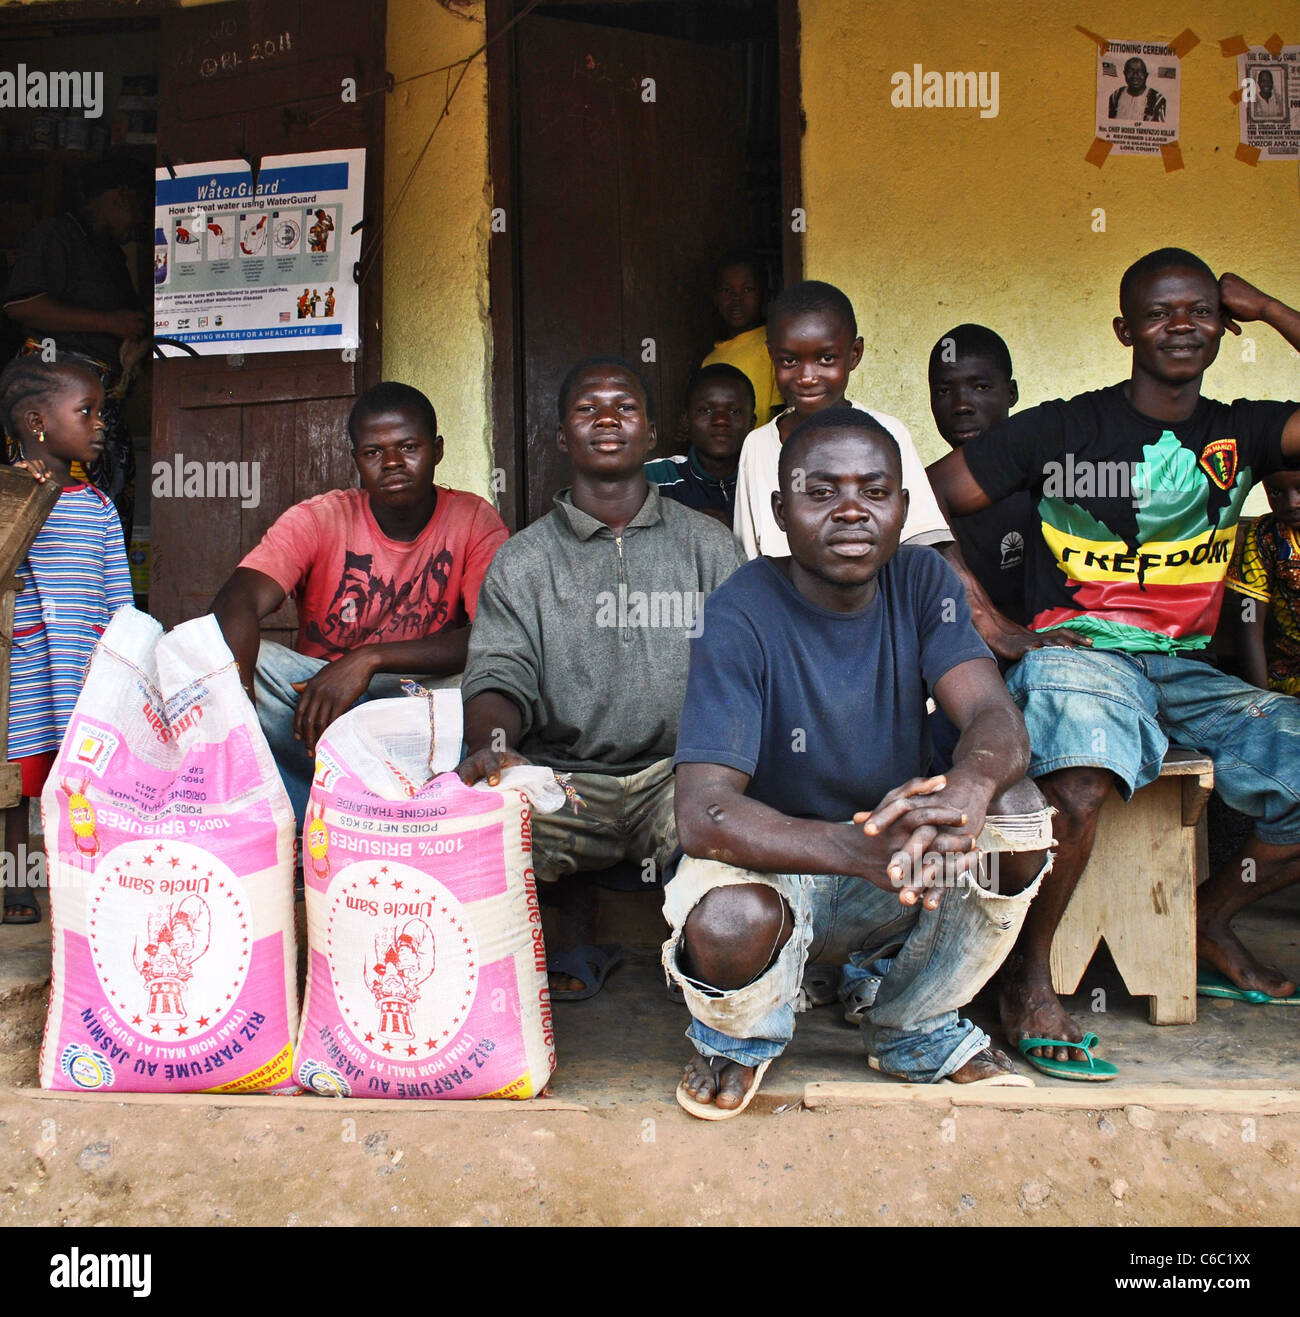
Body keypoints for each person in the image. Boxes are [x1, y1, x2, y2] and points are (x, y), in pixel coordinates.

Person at [927, 249, 1300, 1077]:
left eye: (1200, 310)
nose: (1182, 325)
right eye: (1161, 312)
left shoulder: (1244, 428)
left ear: (1221, 326)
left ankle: (1207, 917)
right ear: (1124, 329)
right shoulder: (1060, 428)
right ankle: (1025, 980)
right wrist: (993, 623)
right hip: (1083, 655)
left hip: (1188, 673)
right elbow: (917, 501)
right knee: (1083, 777)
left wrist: (1271, 307)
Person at [667, 410, 1052, 1116]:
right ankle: (737, 1039)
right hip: (775, 866)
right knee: (726, 922)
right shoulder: (739, 608)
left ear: (903, 507)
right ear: (781, 510)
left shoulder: (922, 581)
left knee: (1016, 810)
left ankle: (914, 1024)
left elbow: (996, 719)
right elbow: (702, 813)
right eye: (821, 492)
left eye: (875, 491)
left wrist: (968, 784)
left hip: (896, 873)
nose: (851, 510)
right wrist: (851, 846)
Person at [455, 356, 742, 997]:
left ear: (650, 433)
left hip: (679, 778)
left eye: (625, 407)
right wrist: (491, 746)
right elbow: (499, 674)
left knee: (739, 826)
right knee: (467, 827)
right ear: (562, 435)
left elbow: (745, 674)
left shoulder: (709, 546)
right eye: (587, 409)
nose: (607, 419)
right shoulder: (523, 561)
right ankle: (555, 941)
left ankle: (710, 963)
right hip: (562, 783)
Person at [212, 381, 508, 823]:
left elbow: (494, 635)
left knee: (498, 675)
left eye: (408, 446)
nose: (392, 463)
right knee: (220, 656)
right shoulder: (319, 517)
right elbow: (237, 600)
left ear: (438, 449)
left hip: (419, 696)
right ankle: (301, 813)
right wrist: (238, 704)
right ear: (355, 461)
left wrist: (368, 659)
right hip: (319, 703)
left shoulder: (472, 518)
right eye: (373, 452)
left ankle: (423, 806)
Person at [0, 353, 134, 924]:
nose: (99, 423)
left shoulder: (100, 510)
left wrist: (126, 665)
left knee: (84, 782)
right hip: (26, 670)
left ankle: (84, 881)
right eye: (87, 411)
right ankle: (15, 882)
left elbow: (118, 601)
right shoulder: (7, 499)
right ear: (37, 424)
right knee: (16, 782)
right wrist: (19, 496)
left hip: (84, 672)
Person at [732, 280, 951, 562]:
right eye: (789, 361)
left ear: (854, 354)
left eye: (826, 358)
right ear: (772, 356)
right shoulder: (758, 446)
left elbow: (921, 542)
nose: (807, 377)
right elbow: (749, 556)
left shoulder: (888, 434)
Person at [3, 158, 153, 539]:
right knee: (48, 509)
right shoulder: (58, 235)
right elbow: (21, 306)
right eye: (137, 206)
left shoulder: (110, 254)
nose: (137, 223)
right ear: (119, 197)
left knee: (108, 508)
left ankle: (102, 592)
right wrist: (109, 323)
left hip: (100, 395)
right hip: (55, 393)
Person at [928, 324, 1034, 626]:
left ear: (1011, 393)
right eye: (944, 391)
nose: (961, 405)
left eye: (981, 387)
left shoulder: (1047, 486)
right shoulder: (923, 500)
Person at [644, 363, 754, 524]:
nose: (721, 420)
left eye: (734, 411)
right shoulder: (655, 477)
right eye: (705, 410)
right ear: (686, 421)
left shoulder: (768, 479)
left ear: (752, 423)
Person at [1227, 471, 1300, 694]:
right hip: (1291, 679)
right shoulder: (1266, 536)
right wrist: (1262, 700)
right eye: (1276, 492)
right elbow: (1249, 620)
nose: (1291, 503)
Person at [700, 254, 784, 425]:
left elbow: (781, 412)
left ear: (764, 295)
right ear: (715, 297)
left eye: (747, 289)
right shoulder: (709, 361)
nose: (736, 299)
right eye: (726, 291)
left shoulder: (773, 344)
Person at [1108, 57, 1166, 122]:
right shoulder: (1116, 95)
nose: (1135, 76)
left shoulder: (1157, 99)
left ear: (1146, 75)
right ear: (1124, 74)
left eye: (1140, 72)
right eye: (1130, 71)